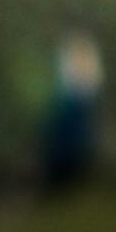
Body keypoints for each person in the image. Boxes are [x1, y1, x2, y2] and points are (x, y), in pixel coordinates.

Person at [38, 27, 106, 195]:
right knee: (62, 140)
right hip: (72, 103)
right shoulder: (73, 59)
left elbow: (87, 83)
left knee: (71, 141)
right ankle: (58, 176)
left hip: (77, 104)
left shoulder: (84, 61)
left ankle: (65, 177)